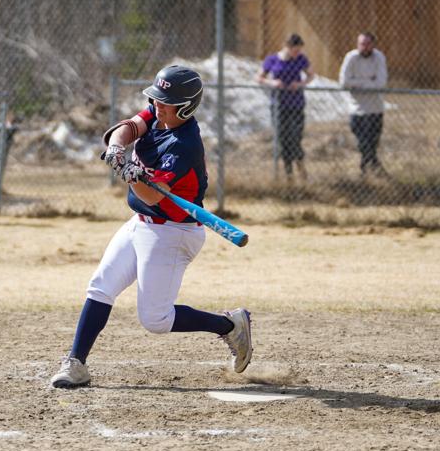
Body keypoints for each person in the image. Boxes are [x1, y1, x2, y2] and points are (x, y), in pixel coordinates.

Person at [49, 65, 253, 389]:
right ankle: (76, 363)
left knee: (155, 319)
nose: (157, 106)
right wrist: (118, 149)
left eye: (165, 102)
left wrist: (128, 173)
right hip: (142, 222)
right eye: (156, 100)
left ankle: (229, 325)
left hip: (174, 232)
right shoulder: (159, 115)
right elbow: (128, 127)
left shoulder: (184, 144)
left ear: (185, 107)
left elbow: (153, 196)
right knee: (100, 285)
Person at [257, 33, 314, 183]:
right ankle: (289, 174)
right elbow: (259, 77)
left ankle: (301, 169)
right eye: (295, 50)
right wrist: (272, 83)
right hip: (279, 105)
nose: (297, 53)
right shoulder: (273, 59)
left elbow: (310, 76)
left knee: (296, 137)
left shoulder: (301, 59)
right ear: (287, 47)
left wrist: (300, 84)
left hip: (296, 104)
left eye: (299, 50)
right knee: (283, 139)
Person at [339, 32, 389, 178]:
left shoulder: (379, 57)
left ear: (373, 45)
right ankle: (373, 169)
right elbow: (344, 82)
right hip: (356, 108)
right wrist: (368, 81)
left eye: (367, 44)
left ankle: (365, 172)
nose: (363, 47)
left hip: (375, 108)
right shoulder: (351, 58)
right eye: (361, 43)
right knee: (363, 143)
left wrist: (357, 82)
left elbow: (381, 83)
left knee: (372, 143)